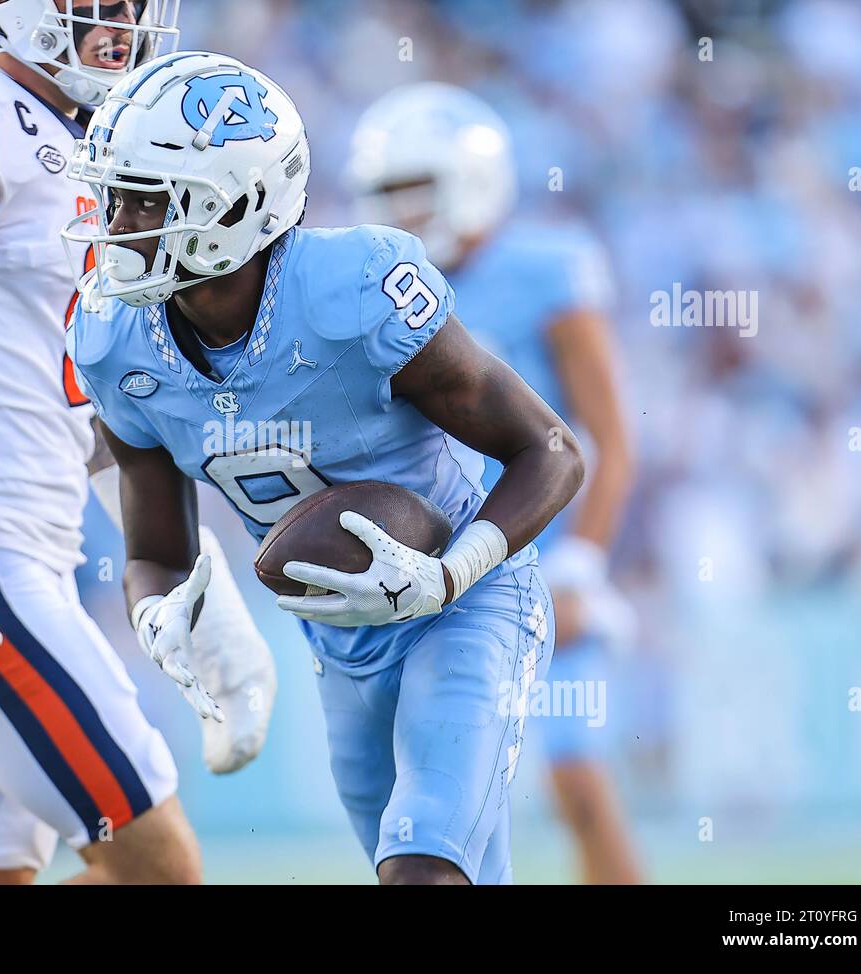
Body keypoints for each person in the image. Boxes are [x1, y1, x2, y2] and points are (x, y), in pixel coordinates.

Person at [65, 52, 584, 885]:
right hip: (340, 639)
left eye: (138, 197)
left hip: (469, 604)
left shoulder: (355, 288)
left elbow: (549, 450)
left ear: (225, 203)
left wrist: (450, 576)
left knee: (418, 869)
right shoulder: (114, 339)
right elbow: (154, 546)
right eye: (111, 192)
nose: (112, 219)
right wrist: (158, 615)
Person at [0, 0, 274, 886]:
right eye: (97, 4)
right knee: (159, 870)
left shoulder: (97, 152)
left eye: (135, 5)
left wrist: (192, 570)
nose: (123, 22)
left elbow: (85, 418)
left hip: (10, 550)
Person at [349, 84, 643, 884]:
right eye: (388, 194)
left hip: (537, 553)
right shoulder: (372, 285)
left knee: (577, 776)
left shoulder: (546, 266)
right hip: (439, 570)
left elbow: (607, 438)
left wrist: (582, 566)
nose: (404, 211)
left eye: (420, 187)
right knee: (446, 796)